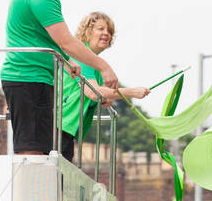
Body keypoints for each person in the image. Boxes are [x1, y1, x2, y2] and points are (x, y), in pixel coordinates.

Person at [1, 0, 120, 157]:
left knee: (43, 150)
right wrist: (104, 66)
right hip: (26, 77)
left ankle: (38, 193)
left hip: (37, 77)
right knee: (32, 152)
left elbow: (40, 37)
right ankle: (32, 194)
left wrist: (66, 63)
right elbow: (66, 41)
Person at [60, 12, 150, 161]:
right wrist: (132, 92)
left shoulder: (95, 64)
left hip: (67, 127)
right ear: (87, 31)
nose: (106, 34)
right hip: (60, 123)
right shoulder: (82, 55)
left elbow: (102, 97)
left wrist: (105, 98)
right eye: (100, 29)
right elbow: (93, 92)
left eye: (109, 31)